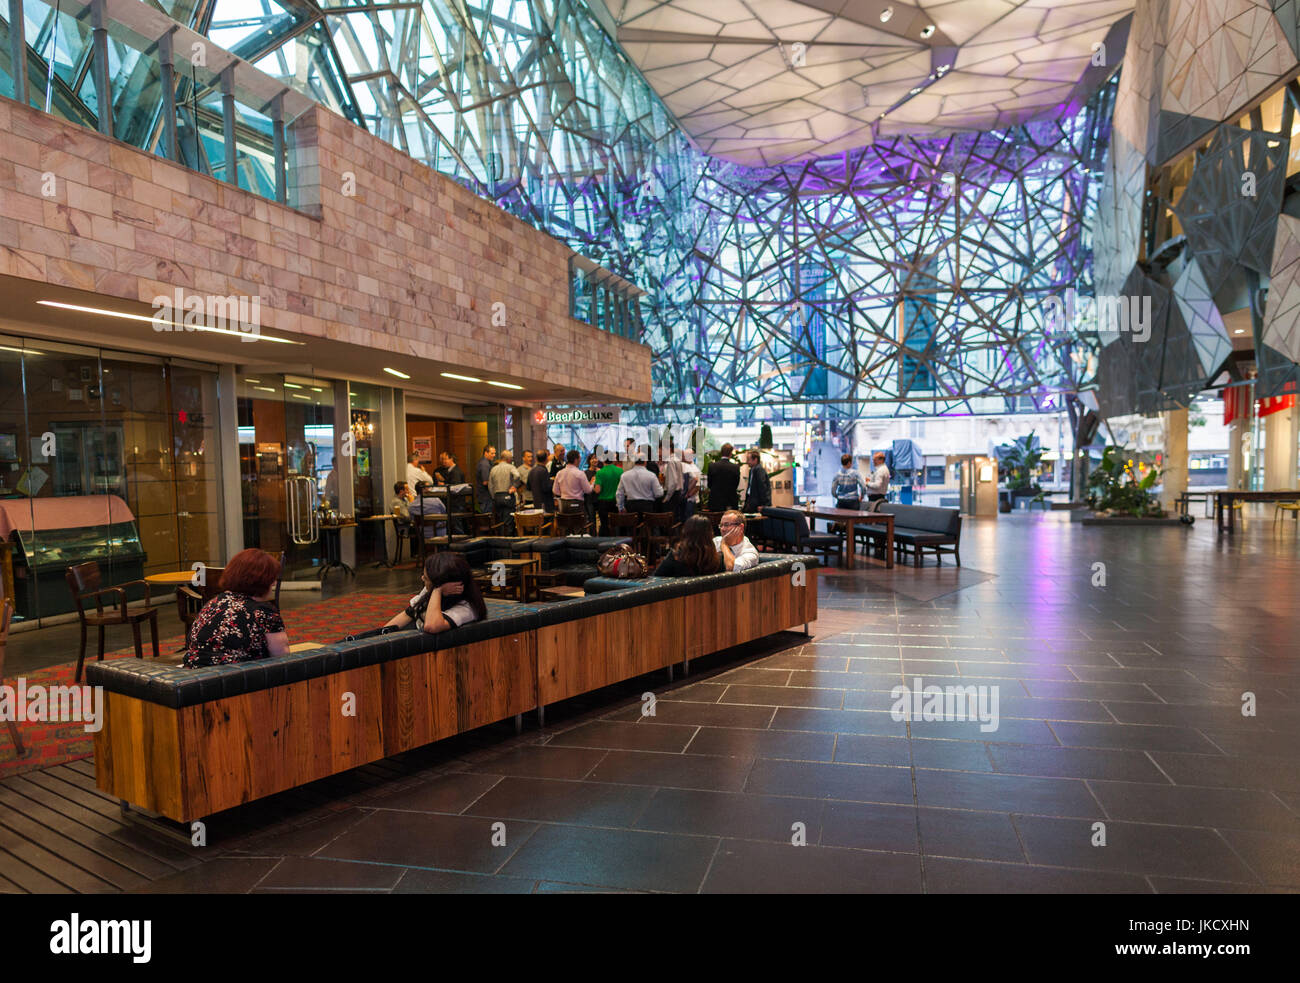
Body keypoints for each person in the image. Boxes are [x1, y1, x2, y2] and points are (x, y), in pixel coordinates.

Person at [183, 549, 288, 667]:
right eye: (272, 579)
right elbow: (282, 658)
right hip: (234, 679)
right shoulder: (264, 612)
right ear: (262, 581)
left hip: (194, 676)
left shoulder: (213, 603)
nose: (274, 583)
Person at [383, 553, 487, 635]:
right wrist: (382, 635)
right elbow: (408, 614)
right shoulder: (431, 590)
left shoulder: (467, 608)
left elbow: (432, 626)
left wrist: (437, 590)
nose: (422, 578)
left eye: (426, 578)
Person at [654, 515, 722, 577]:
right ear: (710, 534)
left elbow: (656, 578)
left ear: (686, 532)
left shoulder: (676, 556)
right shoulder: (716, 559)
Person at [552, 449, 593, 514]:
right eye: (580, 458)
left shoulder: (560, 473)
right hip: (576, 505)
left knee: (566, 522)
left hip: (563, 504)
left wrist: (565, 493)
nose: (580, 461)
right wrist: (592, 483)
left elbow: (555, 491)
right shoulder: (580, 473)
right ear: (576, 460)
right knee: (577, 522)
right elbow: (588, 490)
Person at [408, 480, 449, 545]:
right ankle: (442, 551)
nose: (430, 489)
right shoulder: (435, 499)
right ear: (424, 489)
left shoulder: (411, 506)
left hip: (422, 534)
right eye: (429, 487)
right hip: (439, 533)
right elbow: (444, 511)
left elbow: (412, 519)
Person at [489, 450, 520, 532]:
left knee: (500, 521)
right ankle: (509, 541)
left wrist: (494, 496)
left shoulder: (493, 469)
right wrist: (514, 486)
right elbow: (517, 475)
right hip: (508, 495)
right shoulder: (511, 467)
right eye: (511, 458)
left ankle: (500, 539)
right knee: (509, 521)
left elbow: (490, 485)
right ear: (508, 458)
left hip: (497, 497)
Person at [592, 455, 623, 534]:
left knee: (604, 525)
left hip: (603, 503)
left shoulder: (600, 472)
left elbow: (597, 490)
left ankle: (605, 544)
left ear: (603, 460)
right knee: (617, 524)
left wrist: (592, 485)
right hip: (616, 501)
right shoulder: (620, 471)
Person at [708, 443, 741, 511]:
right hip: (730, 500)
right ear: (730, 453)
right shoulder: (735, 467)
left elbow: (709, 484)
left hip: (715, 500)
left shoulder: (712, 466)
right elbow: (736, 484)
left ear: (721, 452)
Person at [660, 439, 684, 521]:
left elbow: (673, 482)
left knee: (669, 520)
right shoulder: (677, 459)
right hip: (678, 493)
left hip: (672, 494)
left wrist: (667, 497)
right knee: (675, 518)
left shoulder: (670, 461)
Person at [529, 449, 555, 514]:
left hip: (536, 502)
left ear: (536, 458)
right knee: (546, 522)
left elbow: (528, 487)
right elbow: (546, 488)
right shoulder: (543, 470)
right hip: (545, 504)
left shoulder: (532, 470)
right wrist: (552, 482)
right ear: (546, 459)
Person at [681, 448, 702, 522]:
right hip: (684, 500)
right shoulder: (683, 466)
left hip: (691, 500)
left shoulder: (695, 469)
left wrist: (687, 495)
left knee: (689, 522)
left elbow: (697, 486)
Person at [476, 445, 496, 514]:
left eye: (494, 453)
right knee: (487, 518)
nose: (494, 455)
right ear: (486, 453)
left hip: (485, 496)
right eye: (492, 453)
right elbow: (485, 482)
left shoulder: (487, 462)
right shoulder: (485, 464)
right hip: (485, 496)